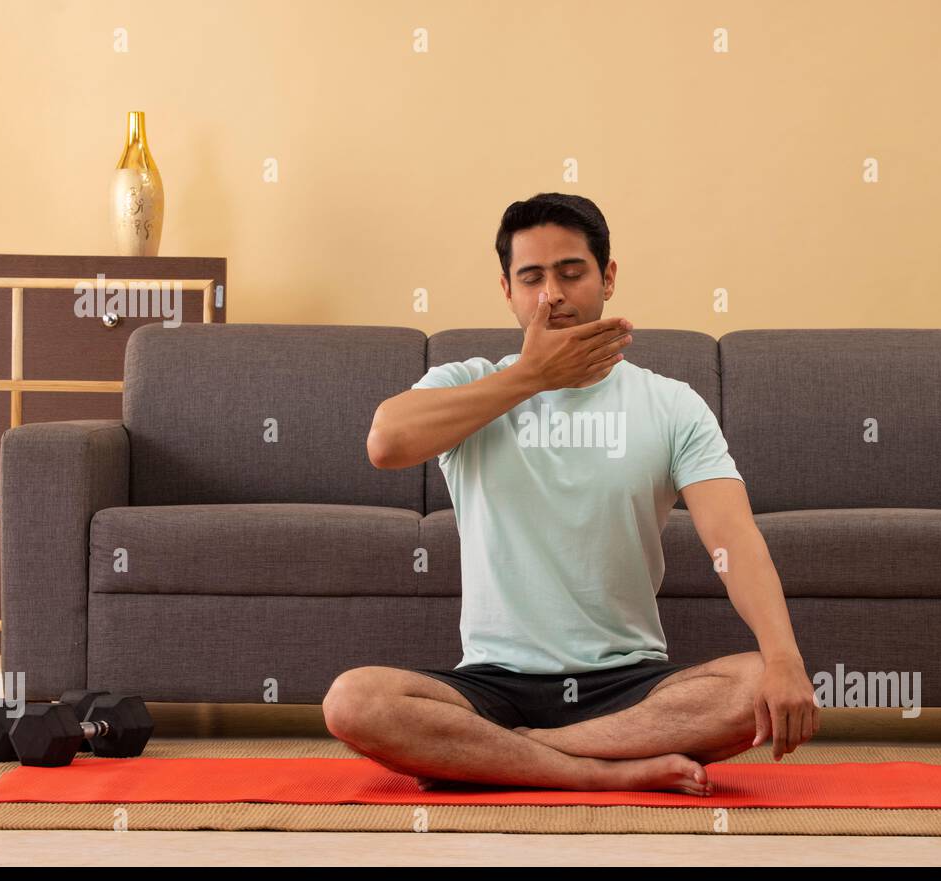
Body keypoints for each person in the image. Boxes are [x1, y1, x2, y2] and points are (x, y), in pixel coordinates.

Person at [323, 193, 819, 794]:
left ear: (607, 278)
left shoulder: (670, 403)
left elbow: (733, 540)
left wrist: (786, 657)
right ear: (506, 289)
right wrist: (532, 377)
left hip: (629, 687)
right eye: (531, 277)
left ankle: (505, 757)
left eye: (571, 272)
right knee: (353, 701)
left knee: (754, 682)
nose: (551, 294)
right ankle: (598, 771)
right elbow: (386, 442)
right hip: (492, 684)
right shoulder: (465, 384)